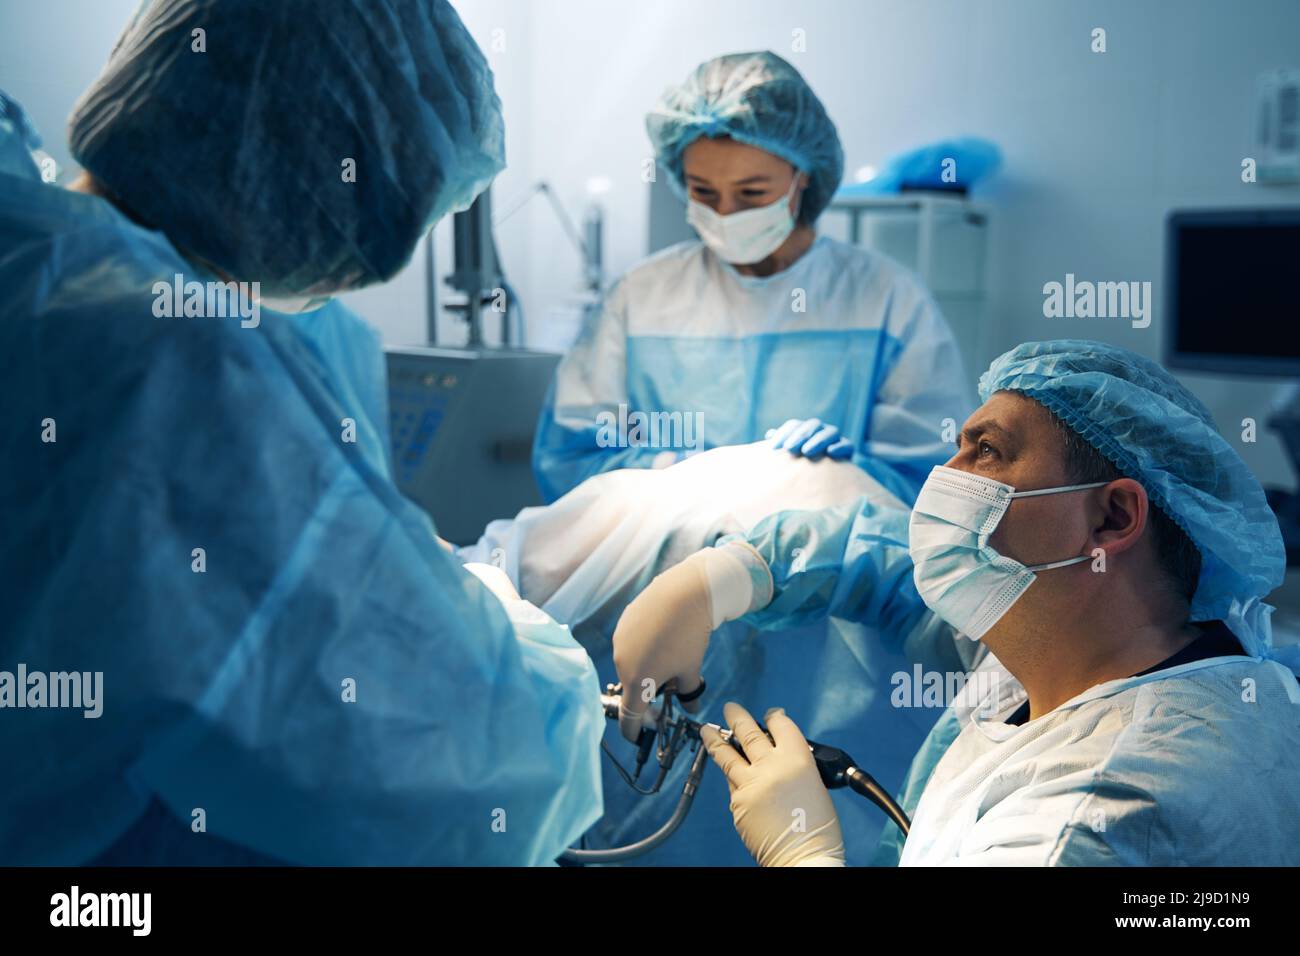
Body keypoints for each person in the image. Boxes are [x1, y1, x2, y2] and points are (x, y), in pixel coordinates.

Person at [0, 0, 603, 866]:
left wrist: (392, 572)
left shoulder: (29, 245)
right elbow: (475, 777)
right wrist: (508, 631)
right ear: (327, 182)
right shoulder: (184, 367)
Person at [619, 340, 1300, 865]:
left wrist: (805, 854)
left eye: (988, 453)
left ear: (1112, 519)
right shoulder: (1068, 642)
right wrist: (718, 580)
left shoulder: (1106, 813)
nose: (943, 480)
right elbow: (882, 565)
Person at [532, 51, 972, 506]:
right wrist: (677, 473)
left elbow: (935, 484)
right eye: (703, 191)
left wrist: (840, 477)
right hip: (666, 563)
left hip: (828, 566)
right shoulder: (639, 297)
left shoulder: (887, 300)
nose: (725, 213)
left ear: (803, 176)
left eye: (751, 193)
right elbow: (572, 459)